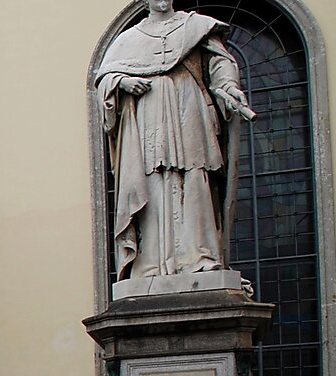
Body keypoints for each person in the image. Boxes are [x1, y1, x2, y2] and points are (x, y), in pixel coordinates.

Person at [96, 0, 254, 281]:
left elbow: (220, 63)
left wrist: (228, 87)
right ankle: (151, 264)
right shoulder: (129, 39)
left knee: (195, 178)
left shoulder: (195, 26)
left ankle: (201, 256)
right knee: (153, 184)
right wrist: (122, 82)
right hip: (148, 116)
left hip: (189, 108)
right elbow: (105, 78)